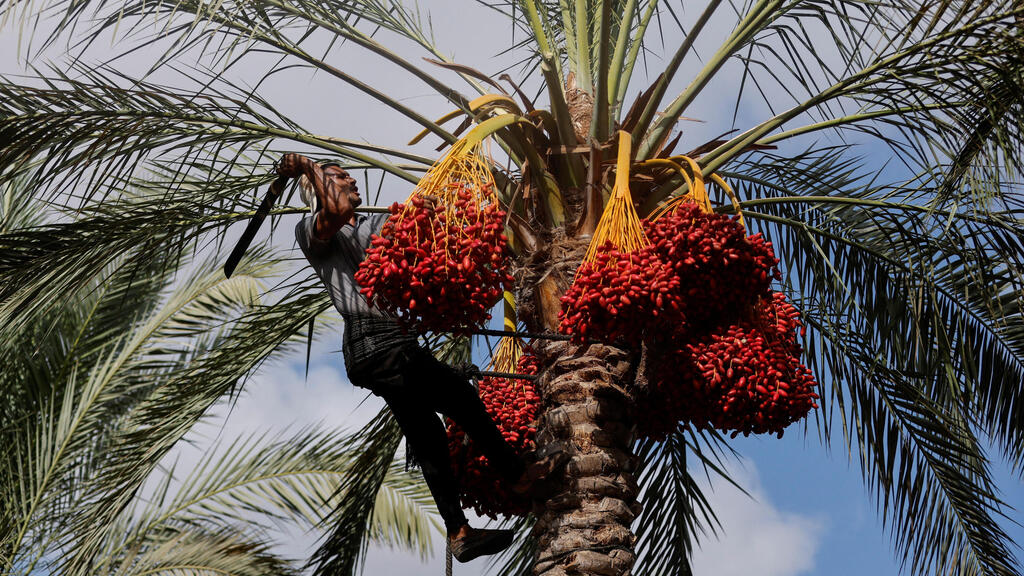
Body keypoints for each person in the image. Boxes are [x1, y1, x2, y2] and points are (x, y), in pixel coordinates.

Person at [276, 153, 532, 563]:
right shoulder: (311, 231)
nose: (353, 183)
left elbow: (419, 247)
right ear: (319, 188)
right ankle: (517, 477)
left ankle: (458, 532)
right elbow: (337, 209)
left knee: (427, 432)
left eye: (349, 176)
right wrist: (306, 164)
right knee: (458, 395)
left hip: (394, 346)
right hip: (372, 344)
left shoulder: (377, 223)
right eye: (340, 178)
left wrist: (431, 219)